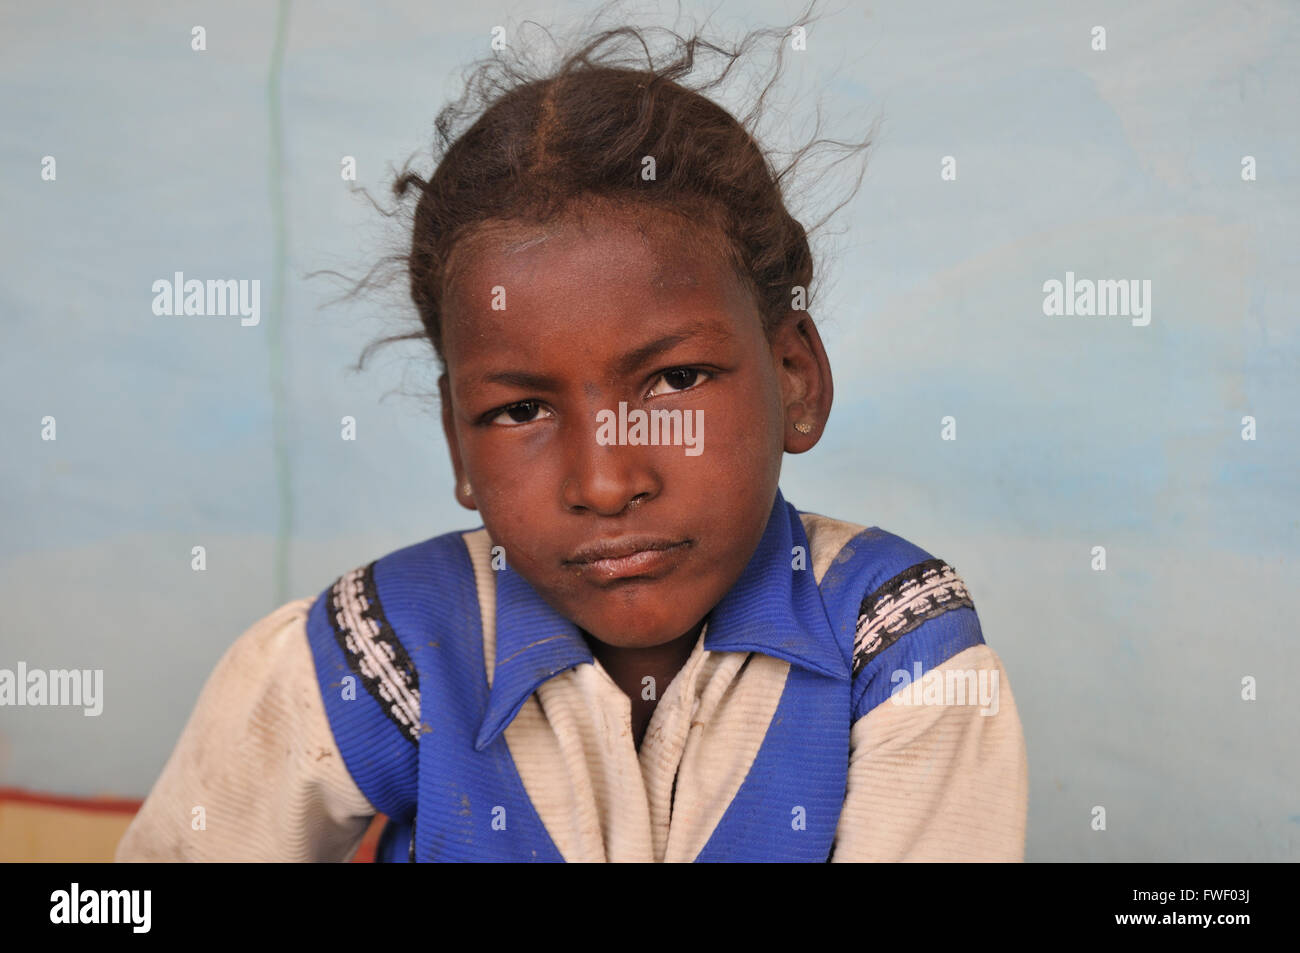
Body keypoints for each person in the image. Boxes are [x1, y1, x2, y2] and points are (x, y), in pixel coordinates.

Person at [116, 7, 1028, 863]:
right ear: (457, 443)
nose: (603, 479)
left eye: (674, 380)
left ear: (794, 379)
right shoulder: (389, 648)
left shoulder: (898, 653)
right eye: (520, 411)